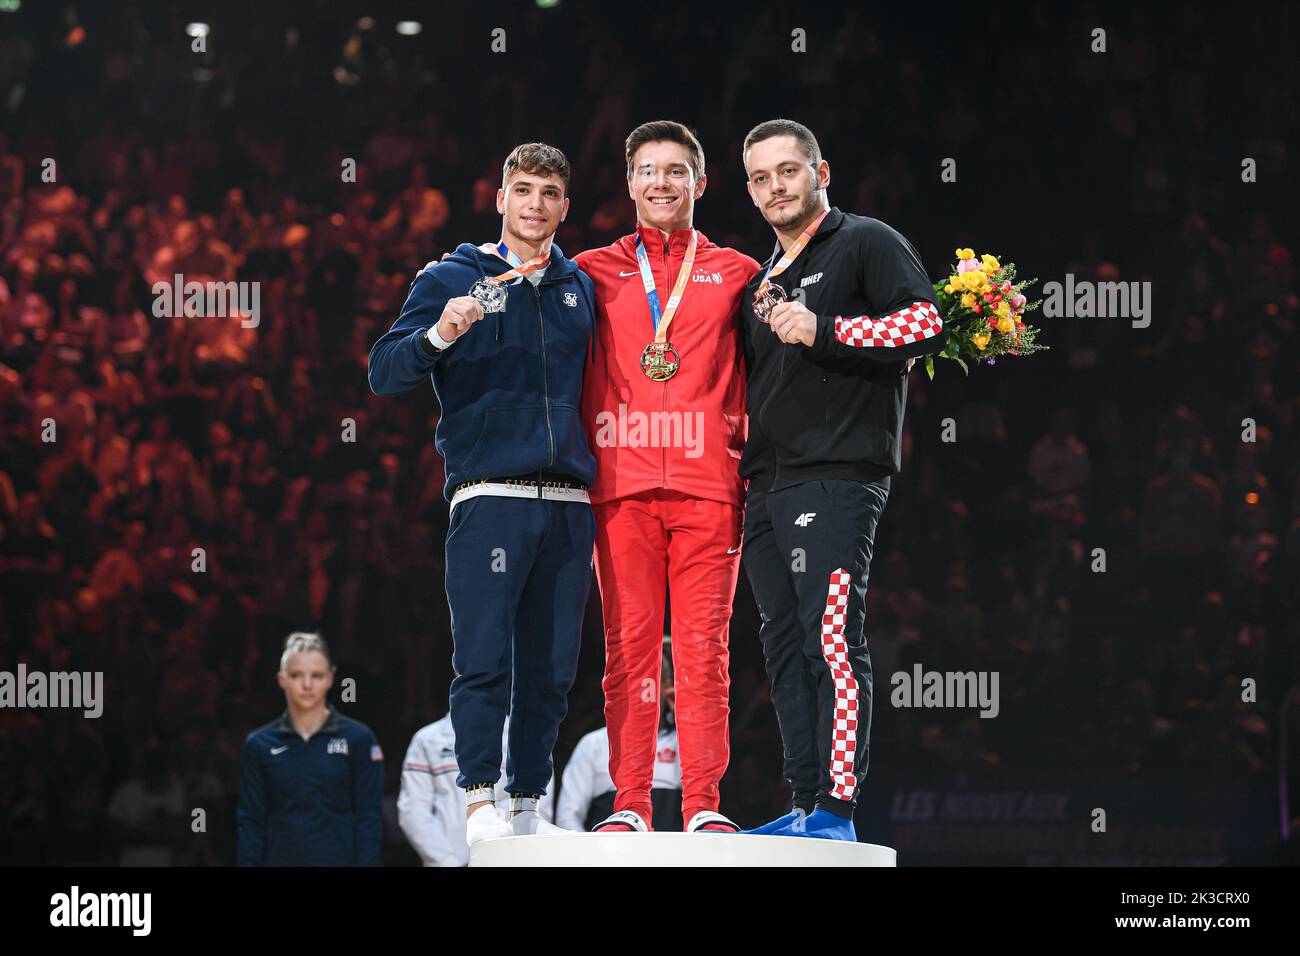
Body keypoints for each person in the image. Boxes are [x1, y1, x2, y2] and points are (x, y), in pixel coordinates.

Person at [368, 143, 596, 847]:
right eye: (522, 189)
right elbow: (384, 371)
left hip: (570, 503)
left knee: (551, 674)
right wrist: (442, 331)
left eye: (549, 193)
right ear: (500, 198)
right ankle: (476, 802)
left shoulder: (581, 286)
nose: (535, 204)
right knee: (485, 658)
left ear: (564, 206)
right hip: (490, 494)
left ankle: (526, 807)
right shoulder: (450, 275)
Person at [737, 119, 947, 840]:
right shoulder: (763, 281)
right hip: (767, 485)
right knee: (783, 646)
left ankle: (837, 808)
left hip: (836, 474)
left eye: (788, 171)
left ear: (820, 172)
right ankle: (804, 803)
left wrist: (825, 328)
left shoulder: (865, 241)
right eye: (761, 178)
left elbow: (924, 324)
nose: (776, 187)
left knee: (829, 638)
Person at [575, 120, 759, 834]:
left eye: (676, 170)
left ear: (700, 183)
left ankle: (704, 806)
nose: (661, 182)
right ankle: (630, 804)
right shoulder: (590, 270)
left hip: (710, 487)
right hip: (620, 486)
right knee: (628, 651)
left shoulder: (739, 272)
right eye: (648, 170)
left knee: (704, 653)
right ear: (629, 182)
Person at [236, 632, 384, 865]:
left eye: (316, 676)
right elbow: (251, 820)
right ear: (281, 680)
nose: (307, 685)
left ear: (330, 679)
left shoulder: (359, 739)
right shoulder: (259, 744)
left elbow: (369, 818)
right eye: (296, 675)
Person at [398, 713, 556, 866]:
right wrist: (447, 862)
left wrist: (500, 859)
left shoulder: (526, 738)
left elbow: (537, 806)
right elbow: (413, 811)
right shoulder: (427, 739)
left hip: (508, 859)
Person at [556, 642, 682, 832]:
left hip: (675, 850)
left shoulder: (683, 744)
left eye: (649, 684)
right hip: (610, 849)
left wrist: (686, 714)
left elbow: (705, 808)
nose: (642, 694)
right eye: (634, 683)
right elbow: (568, 817)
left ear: (667, 687)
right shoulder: (594, 744)